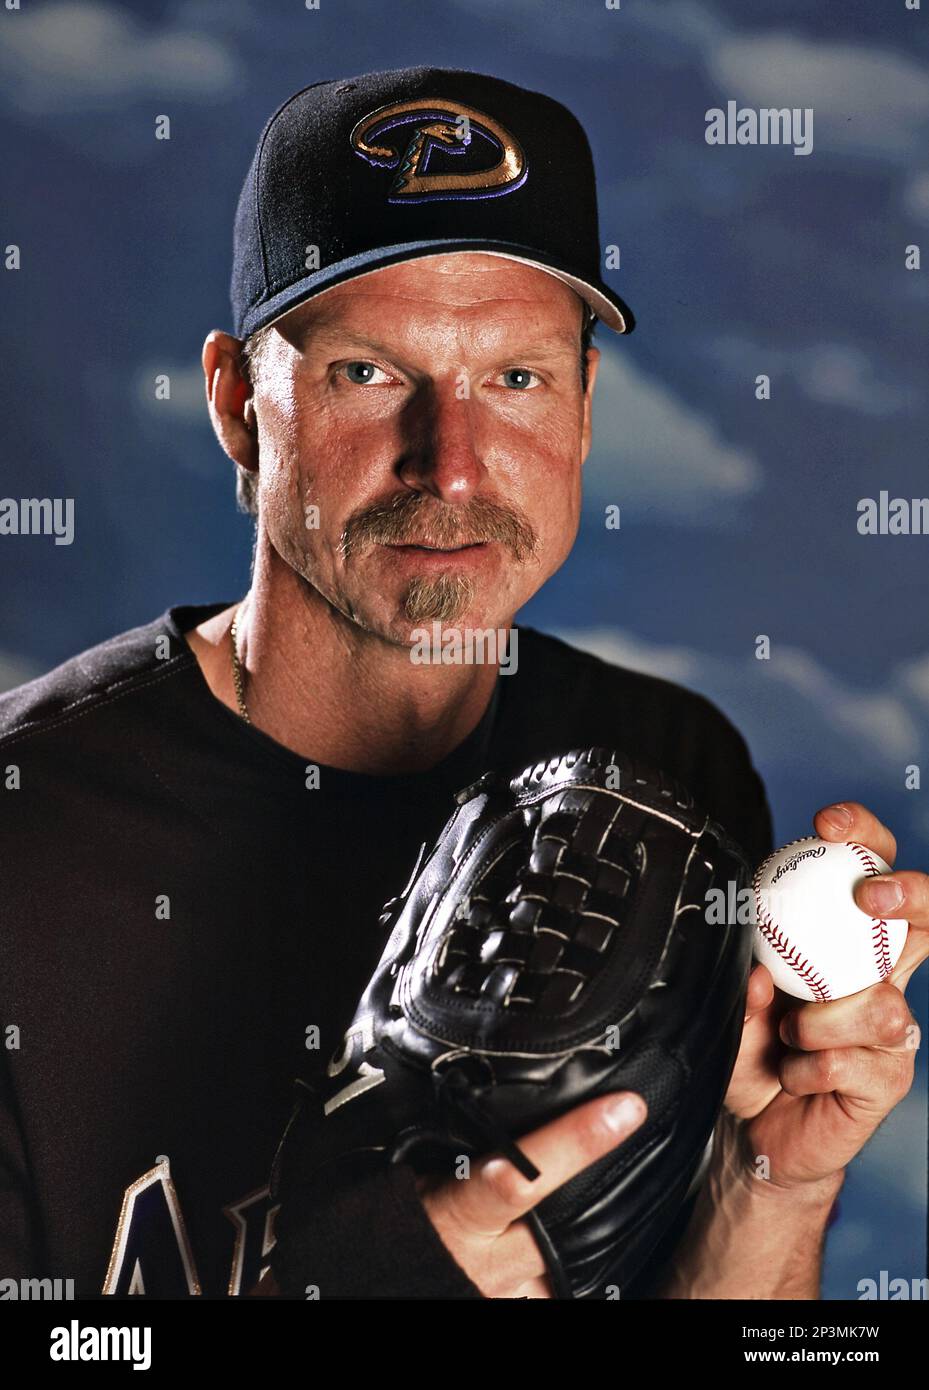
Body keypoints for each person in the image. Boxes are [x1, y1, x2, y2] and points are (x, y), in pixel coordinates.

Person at [0, 67, 923, 1301]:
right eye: (368, 373)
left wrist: (768, 1186)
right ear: (236, 404)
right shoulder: (31, 836)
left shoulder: (665, 774)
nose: (451, 466)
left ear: (586, 407)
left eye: (516, 377)